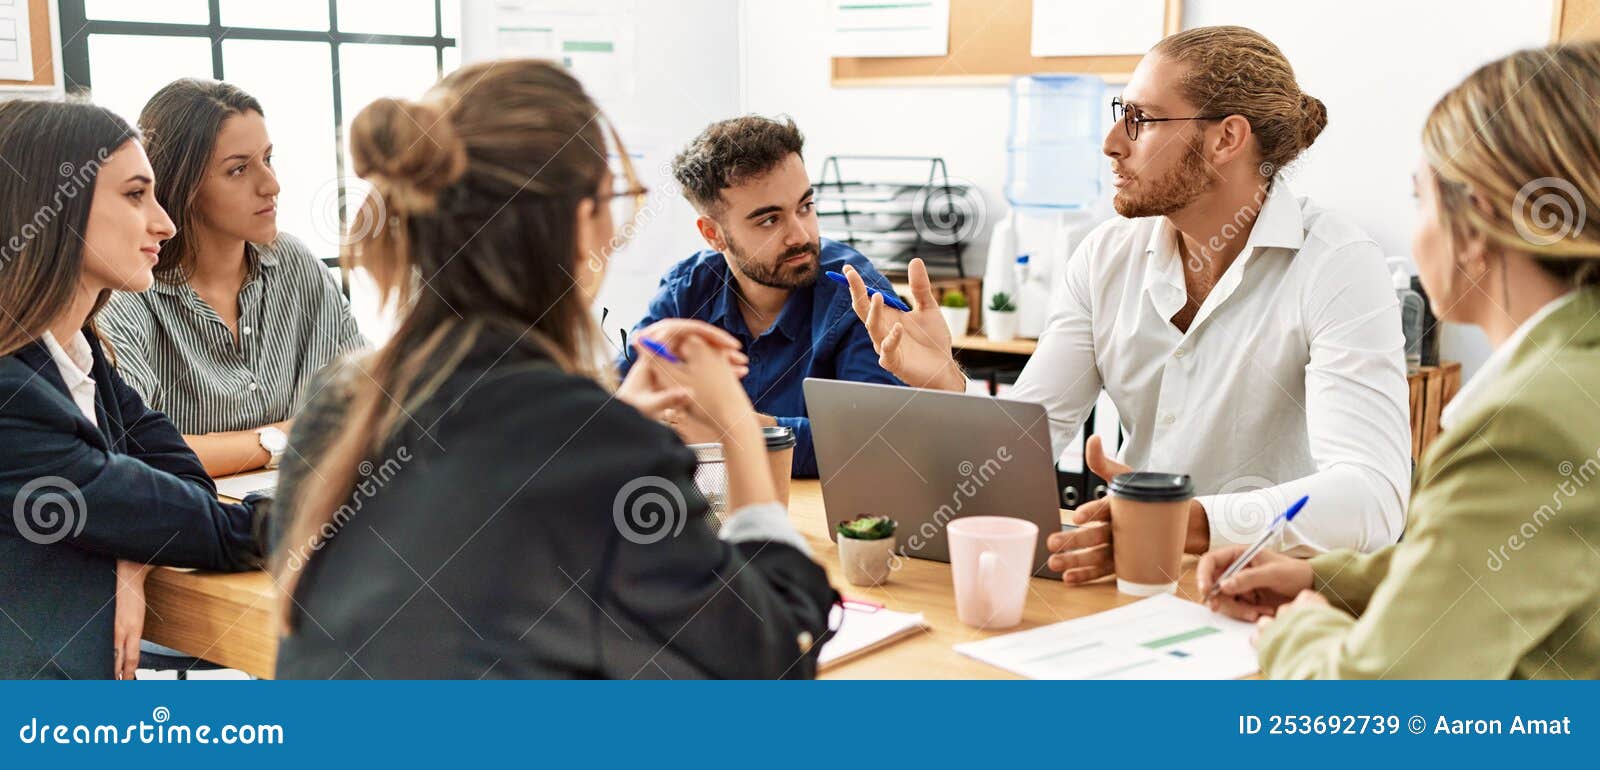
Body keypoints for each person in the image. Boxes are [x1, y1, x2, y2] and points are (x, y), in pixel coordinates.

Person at [270, 59, 837, 679]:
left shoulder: (338, 401)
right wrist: (736, 422)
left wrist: (612, 419)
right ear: (580, 221)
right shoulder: (594, 447)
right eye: (615, 200)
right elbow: (776, 658)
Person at [843, 26, 1411, 584]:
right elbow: (1026, 443)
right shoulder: (1104, 256)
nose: (1112, 142)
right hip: (1137, 585)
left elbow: (1374, 497)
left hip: (1279, 602)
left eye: (1141, 119)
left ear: (1226, 139)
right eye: (1121, 113)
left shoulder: (1337, 263)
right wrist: (947, 385)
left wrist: (1183, 522)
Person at [1200, 43, 1600, 679]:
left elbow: (1378, 699)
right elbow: (1502, 561)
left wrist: (1298, 627)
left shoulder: (1529, 424)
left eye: (1421, 200)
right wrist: (1326, 580)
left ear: (1477, 224)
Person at [0, 100, 270, 681]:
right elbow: (221, 532)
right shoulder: (12, 399)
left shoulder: (81, 356)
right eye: (134, 195)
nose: (164, 223)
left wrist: (133, 545)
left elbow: (181, 480)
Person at [97, 78, 365, 479]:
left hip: (314, 500)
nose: (271, 185)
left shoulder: (294, 263)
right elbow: (133, 450)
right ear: (182, 184)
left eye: (268, 159)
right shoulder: (129, 290)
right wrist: (287, 439)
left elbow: (365, 399)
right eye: (238, 169)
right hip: (195, 513)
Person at [619, 116, 902, 478]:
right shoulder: (685, 291)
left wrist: (733, 428)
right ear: (713, 234)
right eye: (769, 220)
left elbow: (877, 440)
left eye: (805, 206)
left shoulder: (858, 294)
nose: (801, 235)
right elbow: (613, 408)